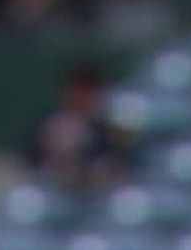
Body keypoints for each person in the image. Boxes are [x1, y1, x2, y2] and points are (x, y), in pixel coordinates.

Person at [28, 64, 136, 194]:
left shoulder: (114, 129)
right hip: (59, 192)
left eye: (90, 91)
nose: (84, 98)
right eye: (80, 91)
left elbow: (121, 163)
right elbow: (38, 165)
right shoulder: (52, 127)